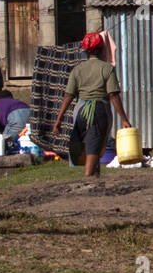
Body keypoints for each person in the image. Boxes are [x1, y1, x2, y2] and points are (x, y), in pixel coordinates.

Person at [51, 32, 131, 178]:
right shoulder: (106, 69)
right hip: (98, 111)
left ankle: (96, 178)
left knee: (91, 146)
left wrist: (58, 120)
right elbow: (113, 95)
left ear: (86, 51)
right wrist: (124, 119)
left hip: (80, 111)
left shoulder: (77, 70)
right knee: (93, 148)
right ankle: (88, 179)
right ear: (101, 49)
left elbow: (68, 95)